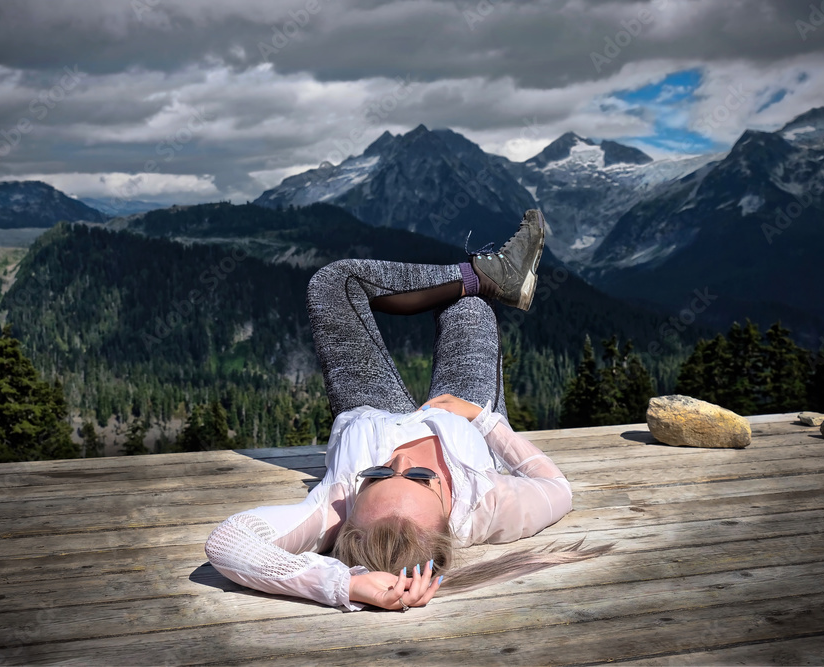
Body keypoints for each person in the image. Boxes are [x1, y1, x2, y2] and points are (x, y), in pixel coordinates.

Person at [205, 209, 611, 612]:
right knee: (468, 309)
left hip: (369, 412)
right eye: (421, 478)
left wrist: (343, 583)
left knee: (335, 283)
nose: (400, 459)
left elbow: (229, 542)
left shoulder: (335, 506)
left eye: (376, 475)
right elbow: (558, 488)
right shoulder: (486, 505)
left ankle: (486, 275)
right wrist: (485, 421)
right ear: (448, 521)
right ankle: (486, 279)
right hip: (460, 418)